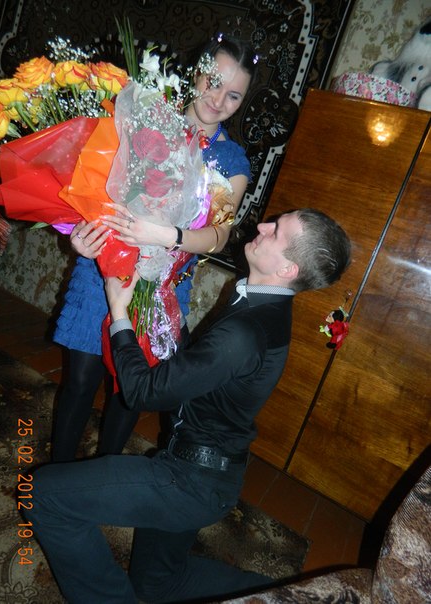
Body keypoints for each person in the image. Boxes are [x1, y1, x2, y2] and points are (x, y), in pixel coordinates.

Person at [25, 208, 351, 603]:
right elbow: (200, 368)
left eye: (276, 231)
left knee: (42, 495)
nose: (263, 225)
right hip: (211, 473)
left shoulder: (246, 330)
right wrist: (165, 309)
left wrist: (119, 312)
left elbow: (141, 393)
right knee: (157, 585)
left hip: (189, 481)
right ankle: (281, 596)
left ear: (287, 269)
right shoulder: (264, 307)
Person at [51, 33, 257, 461]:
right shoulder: (142, 116)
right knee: (80, 380)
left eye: (234, 96)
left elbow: (219, 235)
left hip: (164, 287)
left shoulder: (230, 161)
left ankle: (104, 476)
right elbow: (93, 190)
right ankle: (56, 477)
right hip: (103, 269)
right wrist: (80, 234)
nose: (218, 100)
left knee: (131, 391)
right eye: (214, 83)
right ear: (196, 74)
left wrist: (165, 236)